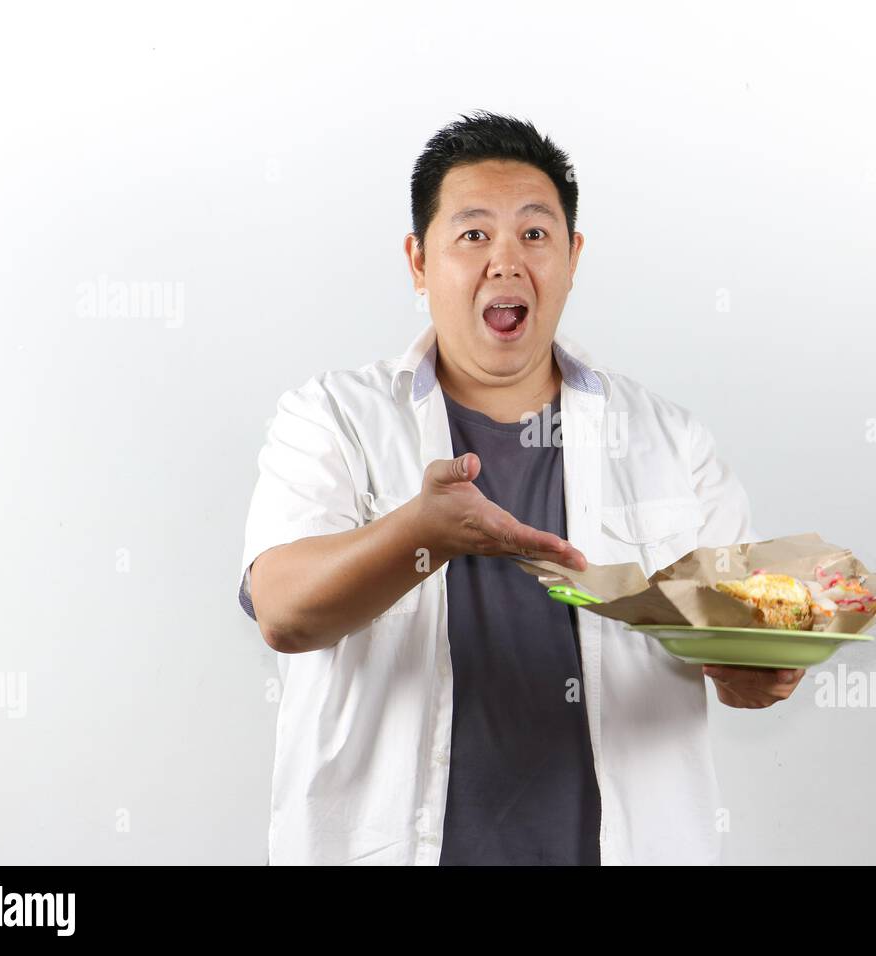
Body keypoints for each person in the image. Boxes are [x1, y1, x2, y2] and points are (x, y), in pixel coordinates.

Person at [237, 110, 806, 866]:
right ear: (418, 259)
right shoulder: (331, 418)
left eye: (535, 235)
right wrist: (421, 533)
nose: (506, 261)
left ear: (572, 257)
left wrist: (762, 668)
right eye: (473, 234)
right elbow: (283, 613)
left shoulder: (673, 443)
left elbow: (744, 658)